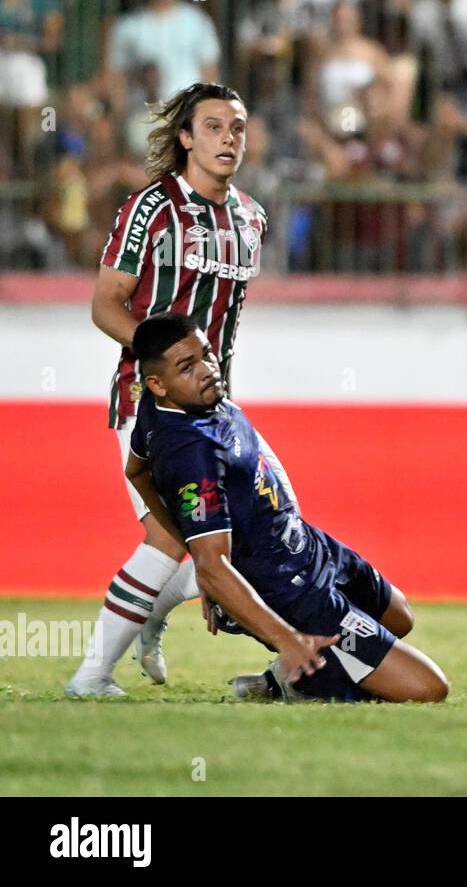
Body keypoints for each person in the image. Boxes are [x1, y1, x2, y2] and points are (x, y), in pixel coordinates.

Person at [125, 313, 449, 703]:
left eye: (206, 354)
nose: (208, 370)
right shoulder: (192, 454)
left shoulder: (165, 404)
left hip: (310, 546)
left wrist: (202, 551)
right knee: (429, 689)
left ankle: (294, 677)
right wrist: (287, 639)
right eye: (188, 367)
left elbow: (136, 470)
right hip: (291, 591)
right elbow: (212, 566)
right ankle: (300, 681)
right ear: (158, 383)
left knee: (399, 617)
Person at [66, 82, 270, 697]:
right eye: (213, 127)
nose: (228, 138)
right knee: (169, 535)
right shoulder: (151, 210)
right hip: (148, 400)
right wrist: (166, 369)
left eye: (237, 127)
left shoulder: (253, 218)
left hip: (215, 406)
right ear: (185, 137)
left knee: (228, 542)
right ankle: (90, 675)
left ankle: (149, 617)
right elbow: (106, 306)